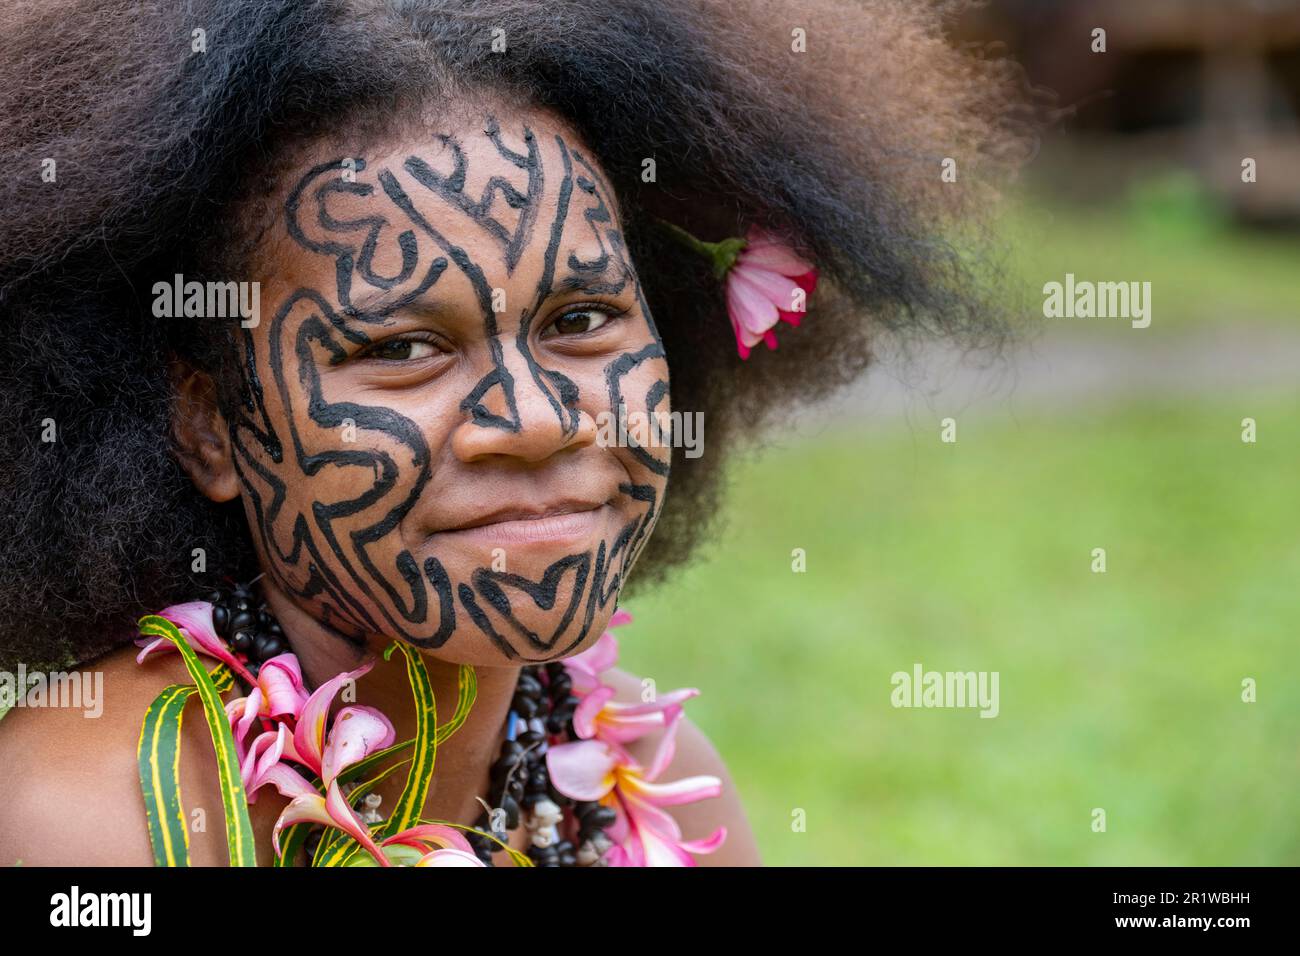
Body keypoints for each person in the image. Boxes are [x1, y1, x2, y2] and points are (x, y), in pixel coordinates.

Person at [0, 0, 1026, 865]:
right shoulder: (98, 819)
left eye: (580, 321)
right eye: (402, 346)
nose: (532, 423)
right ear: (213, 425)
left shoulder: (664, 791)